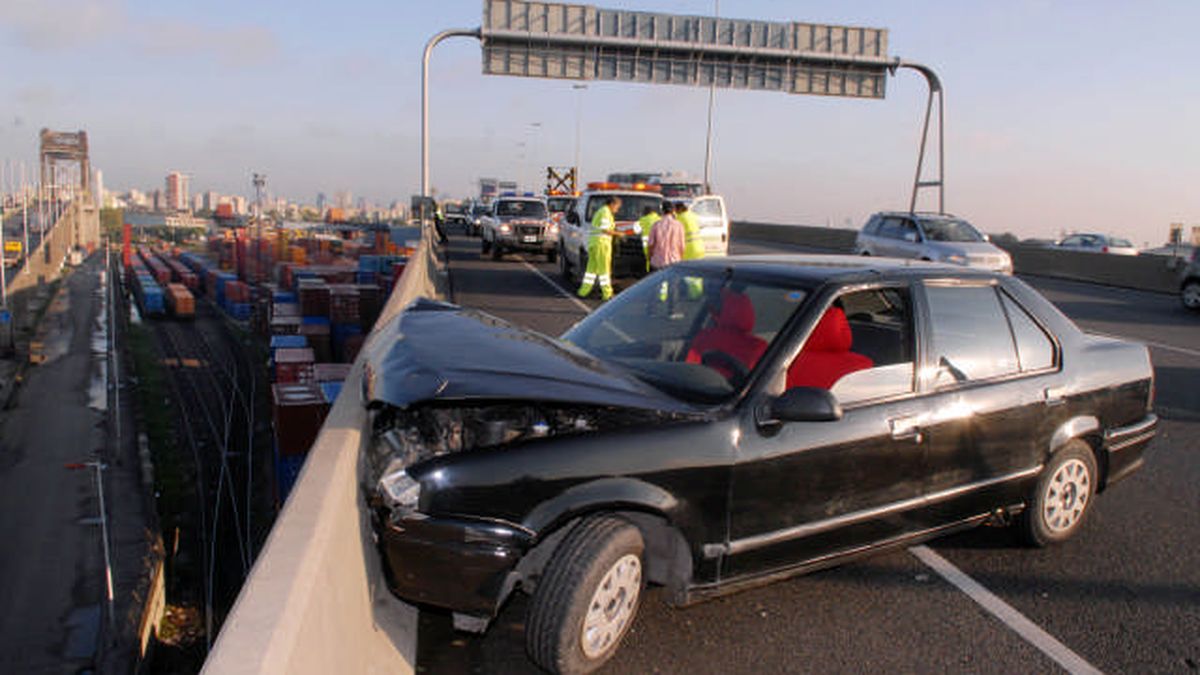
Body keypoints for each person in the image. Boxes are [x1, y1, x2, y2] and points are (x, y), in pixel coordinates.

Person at [578, 195, 622, 300]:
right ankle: (607, 294)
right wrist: (619, 234)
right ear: (612, 204)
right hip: (602, 243)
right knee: (604, 270)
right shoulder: (605, 213)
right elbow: (605, 230)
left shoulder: (602, 211)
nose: (617, 209)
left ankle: (584, 291)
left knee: (591, 270)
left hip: (595, 243)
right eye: (617, 206)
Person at [646, 201, 684, 271]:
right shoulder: (679, 225)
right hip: (674, 262)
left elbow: (651, 245)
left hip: (657, 262)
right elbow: (682, 246)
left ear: (662, 211)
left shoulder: (656, 225)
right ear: (673, 211)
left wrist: (649, 257)